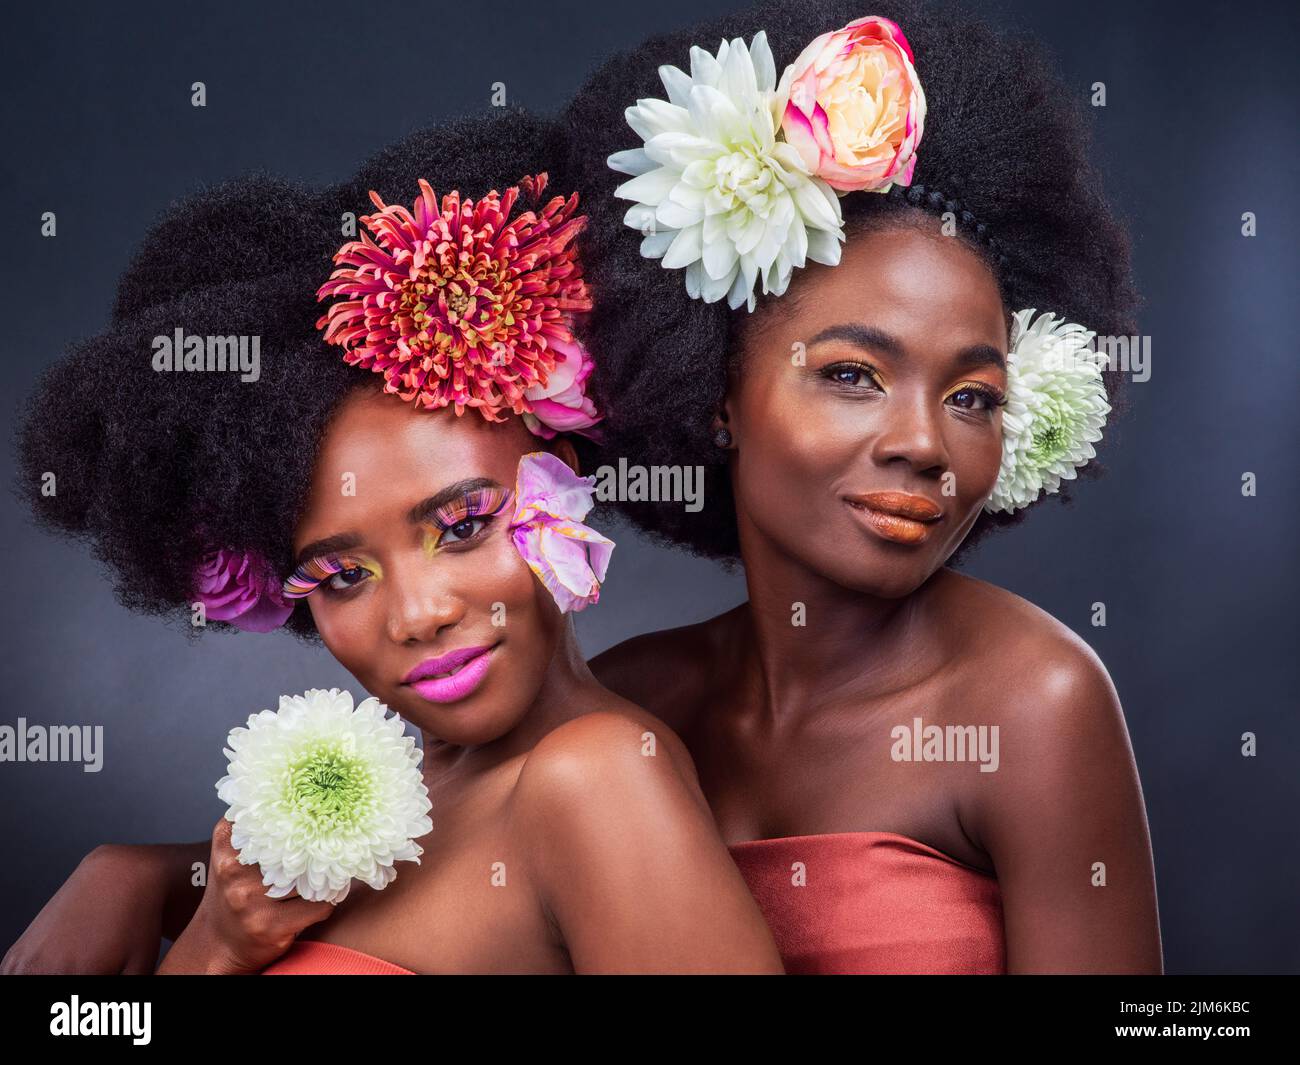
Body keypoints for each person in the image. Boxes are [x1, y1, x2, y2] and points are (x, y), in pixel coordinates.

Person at [7, 1, 1163, 975]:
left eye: (973, 395)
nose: (925, 444)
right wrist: (160, 882)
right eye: (851, 374)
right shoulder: (638, 698)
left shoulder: (1030, 700)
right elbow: (456, 880)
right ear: (711, 387)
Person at [6, 109, 782, 975]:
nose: (417, 614)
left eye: (461, 525)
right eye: (342, 574)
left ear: (558, 482)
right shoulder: (372, 820)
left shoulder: (595, 780)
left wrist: (213, 950)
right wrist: (148, 879)